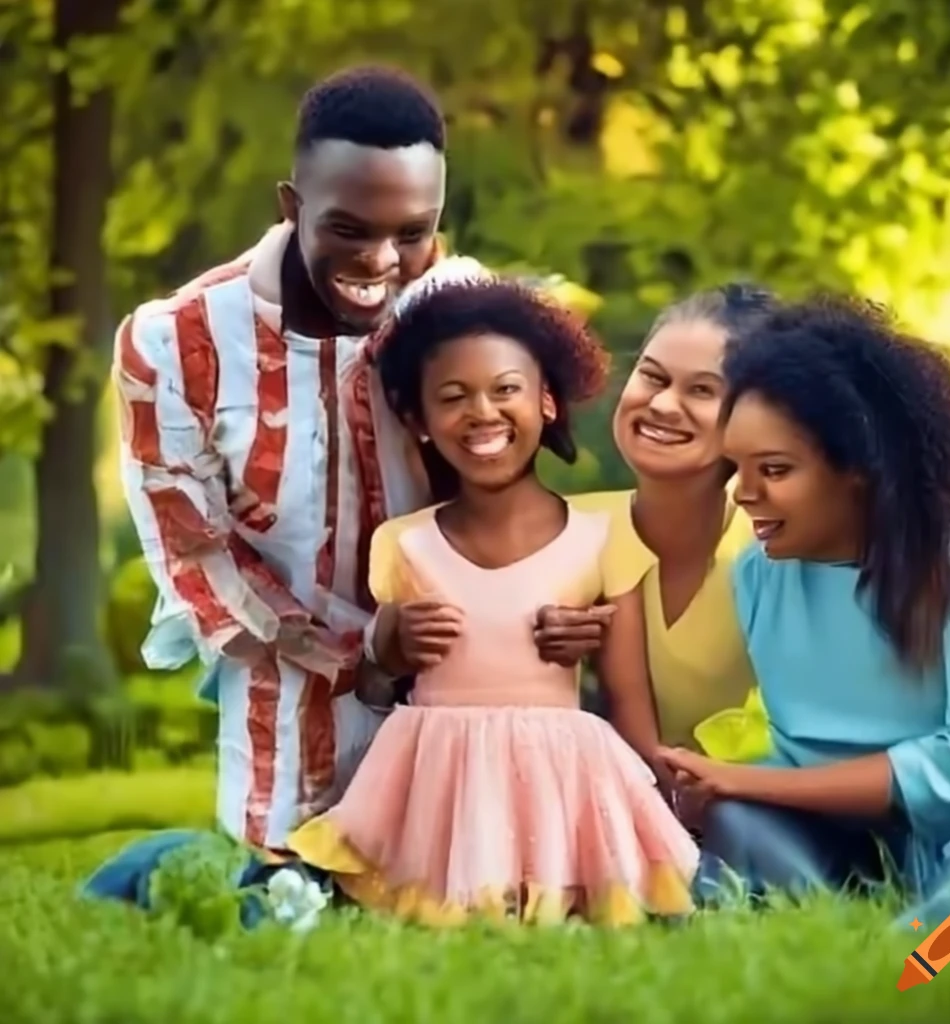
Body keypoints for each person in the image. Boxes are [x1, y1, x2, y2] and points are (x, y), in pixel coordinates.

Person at [86, 67, 607, 914]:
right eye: (350, 230)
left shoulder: (461, 314)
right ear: (292, 206)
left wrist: (565, 605)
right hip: (291, 689)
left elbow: (517, 487)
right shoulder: (175, 342)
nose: (381, 262)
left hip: (459, 677)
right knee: (298, 890)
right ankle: (157, 868)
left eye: (413, 232)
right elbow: (196, 553)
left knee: (469, 893)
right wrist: (363, 654)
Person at [287, 273, 700, 926]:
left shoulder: (604, 539)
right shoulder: (405, 545)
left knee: (560, 916)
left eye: (506, 389)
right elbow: (370, 684)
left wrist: (664, 803)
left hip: (561, 780)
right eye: (454, 397)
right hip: (441, 784)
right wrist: (391, 646)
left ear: (547, 403)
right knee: (446, 914)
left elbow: (627, 697)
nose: (482, 412)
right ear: (419, 421)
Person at [657, 294, 950, 911]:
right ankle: (827, 920)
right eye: (735, 468)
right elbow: (804, 758)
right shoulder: (760, 574)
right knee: (734, 820)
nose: (744, 494)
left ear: (859, 466)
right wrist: (719, 789)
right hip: (836, 838)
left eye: (773, 469)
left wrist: (745, 778)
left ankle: (933, 950)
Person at [572, 284, 774, 774]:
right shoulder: (561, 532)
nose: (662, 405)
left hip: (760, 818)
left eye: (702, 390)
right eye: (652, 377)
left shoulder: (778, 548)